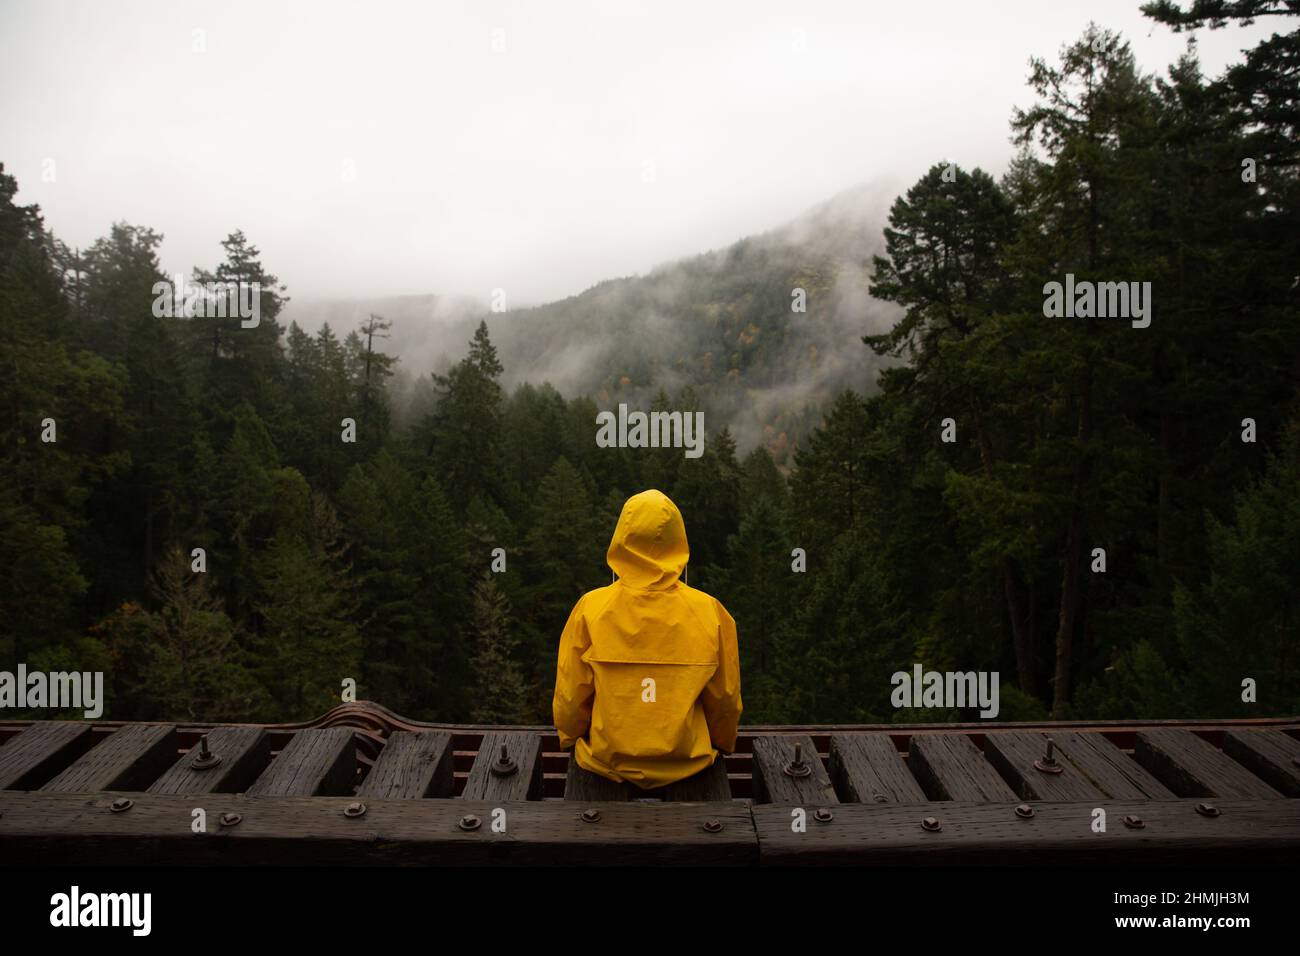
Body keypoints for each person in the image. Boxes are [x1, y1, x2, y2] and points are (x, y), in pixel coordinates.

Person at [552, 489, 743, 789]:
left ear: (621, 539)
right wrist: (723, 743)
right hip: (690, 764)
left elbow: (570, 696)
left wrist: (570, 736)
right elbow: (725, 700)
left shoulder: (590, 608)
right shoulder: (711, 612)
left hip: (603, 762)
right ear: (678, 541)